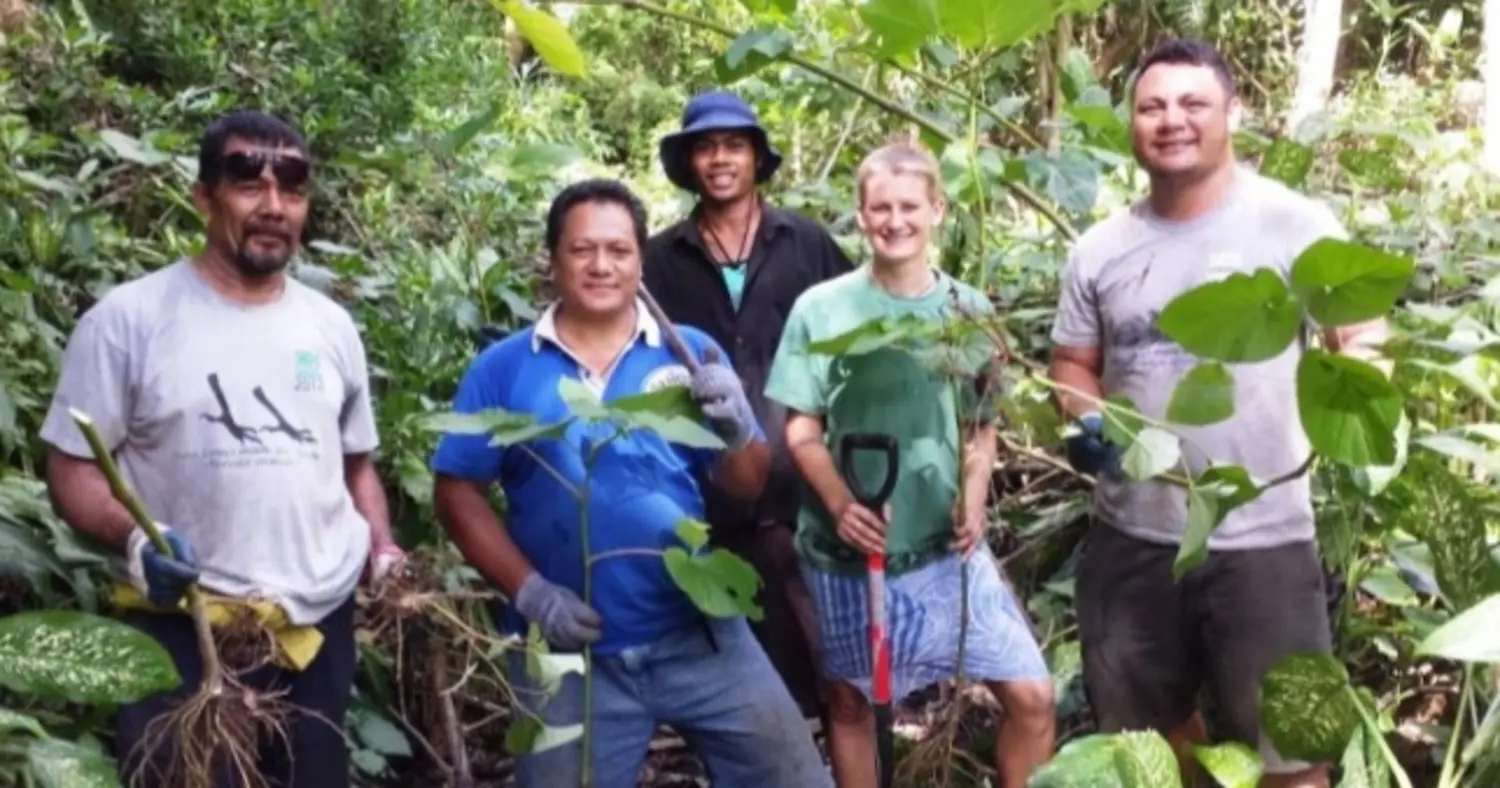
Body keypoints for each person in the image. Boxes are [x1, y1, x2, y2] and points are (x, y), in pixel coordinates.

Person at [1048, 38, 1390, 788]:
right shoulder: (1101, 249)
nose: (1172, 120)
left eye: (1193, 103)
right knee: (1150, 743)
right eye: (1152, 106)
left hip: (1265, 540)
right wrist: (1089, 421)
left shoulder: (1294, 226)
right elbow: (1074, 361)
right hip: (1132, 538)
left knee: (1292, 756)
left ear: (1233, 112)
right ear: (1131, 122)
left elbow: (1364, 338)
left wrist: (1344, 401)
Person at [38, 109, 405, 787]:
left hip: (315, 631)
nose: (273, 207)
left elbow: (356, 466)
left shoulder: (330, 327)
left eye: (291, 190)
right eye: (248, 184)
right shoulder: (129, 322)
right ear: (204, 196)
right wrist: (138, 539)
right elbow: (71, 469)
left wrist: (381, 547)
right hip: (181, 629)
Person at [430, 178, 833, 788]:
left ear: (640, 260)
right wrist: (532, 593)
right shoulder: (504, 367)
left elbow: (745, 486)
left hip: (698, 631)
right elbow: (456, 490)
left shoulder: (687, 352)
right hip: (566, 654)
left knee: (794, 777)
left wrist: (736, 428)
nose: (601, 265)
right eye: (582, 250)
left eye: (618, 251)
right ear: (553, 258)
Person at [765, 140, 1056, 788]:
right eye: (880, 208)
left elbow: (982, 424)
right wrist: (840, 503)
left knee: (1033, 696)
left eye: (908, 207)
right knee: (849, 700)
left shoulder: (967, 311)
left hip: (942, 547)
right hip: (848, 549)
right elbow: (802, 426)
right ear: (861, 216)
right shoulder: (823, 308)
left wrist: (974, 498)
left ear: (938, 210)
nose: (894, 221)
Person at [643, 89, 854, 720]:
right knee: (746, 691)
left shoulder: (807, 244)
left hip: (807, 493)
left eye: (734, 145)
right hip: (712, 499)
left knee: (841, 678)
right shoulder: (657, 259)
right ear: (688, 164)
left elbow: (852, 343)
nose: (720, 159)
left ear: (757, 159)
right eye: (705, 147)